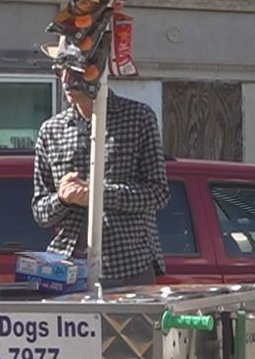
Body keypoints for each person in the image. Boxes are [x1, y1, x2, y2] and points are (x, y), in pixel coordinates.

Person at [32, 52, 168, 289]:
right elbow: (40, 211)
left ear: (99, 72)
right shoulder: (51, 131)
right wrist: (63, 198)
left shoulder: (138, 118)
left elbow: (158, 193)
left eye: (75, 71)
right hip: (66, 267)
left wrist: (98, 195)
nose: (65, 79)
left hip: (127, 264)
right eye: (60, 71)